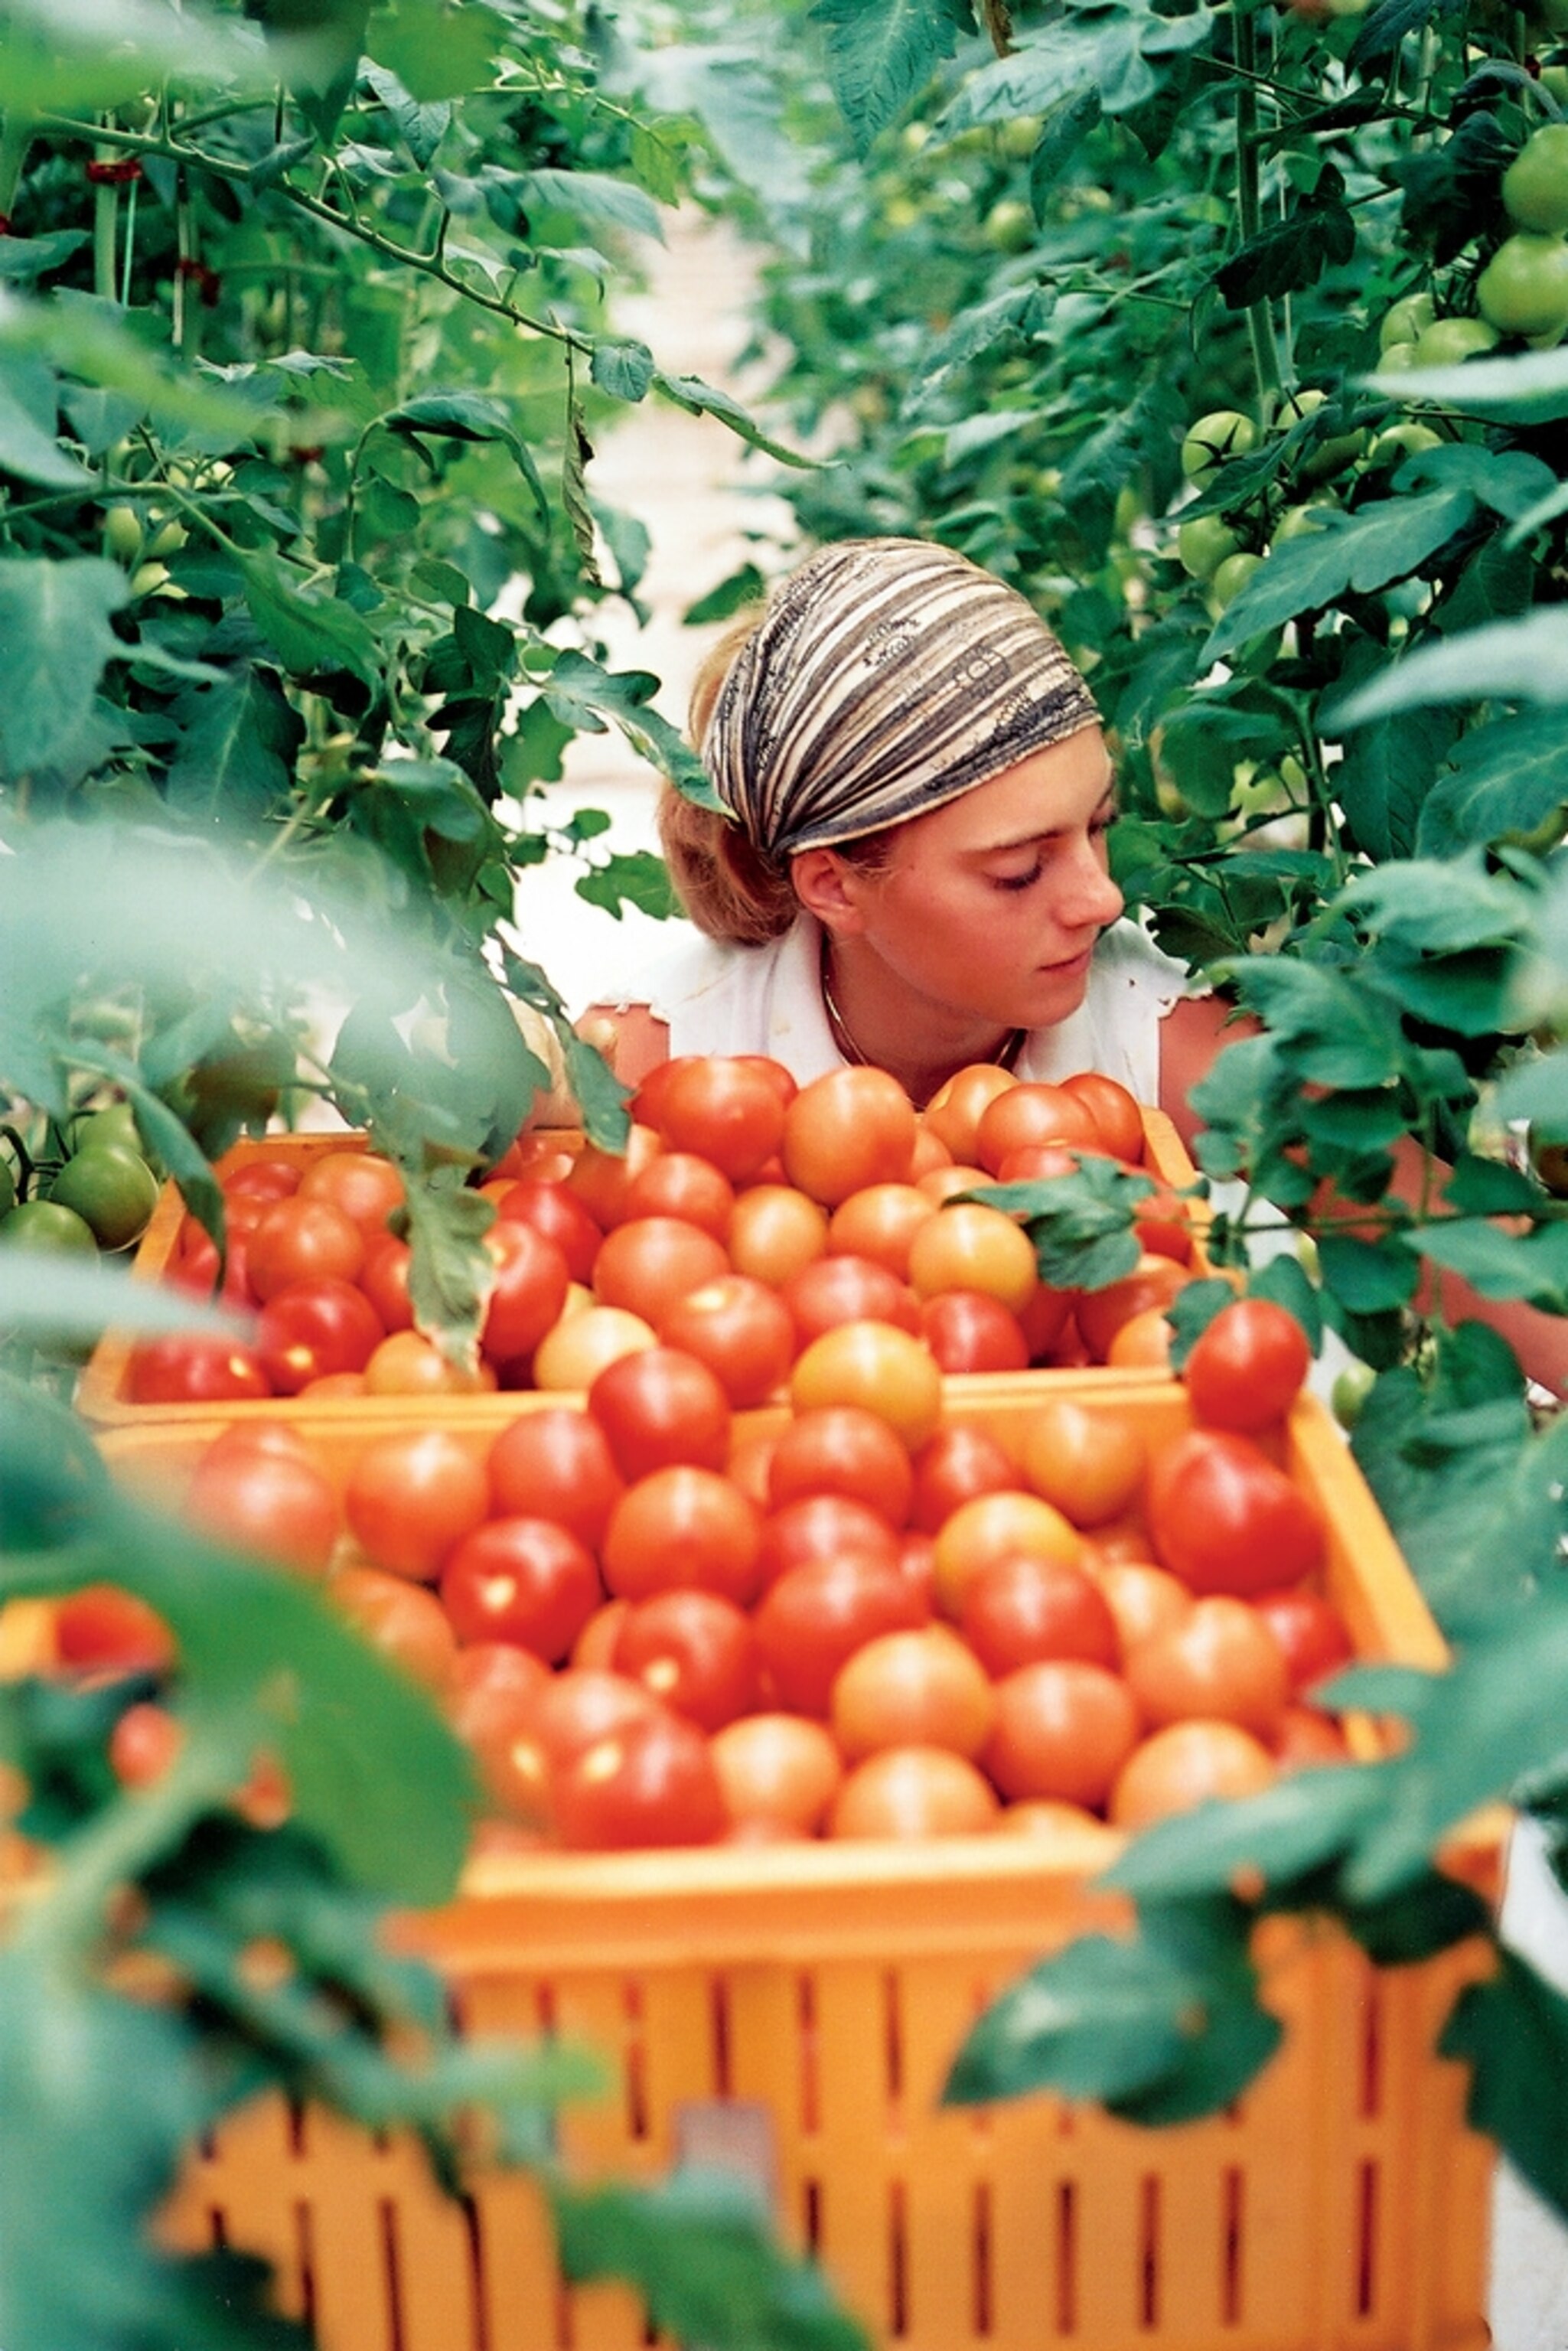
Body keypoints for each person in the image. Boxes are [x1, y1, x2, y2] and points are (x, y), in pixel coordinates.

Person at [581, 536, 1229, 1128]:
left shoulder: (1173, 1042)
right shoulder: (649, 1062)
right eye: (1019, 870)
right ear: (833, 886)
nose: (1104, 901)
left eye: (1097, 826)